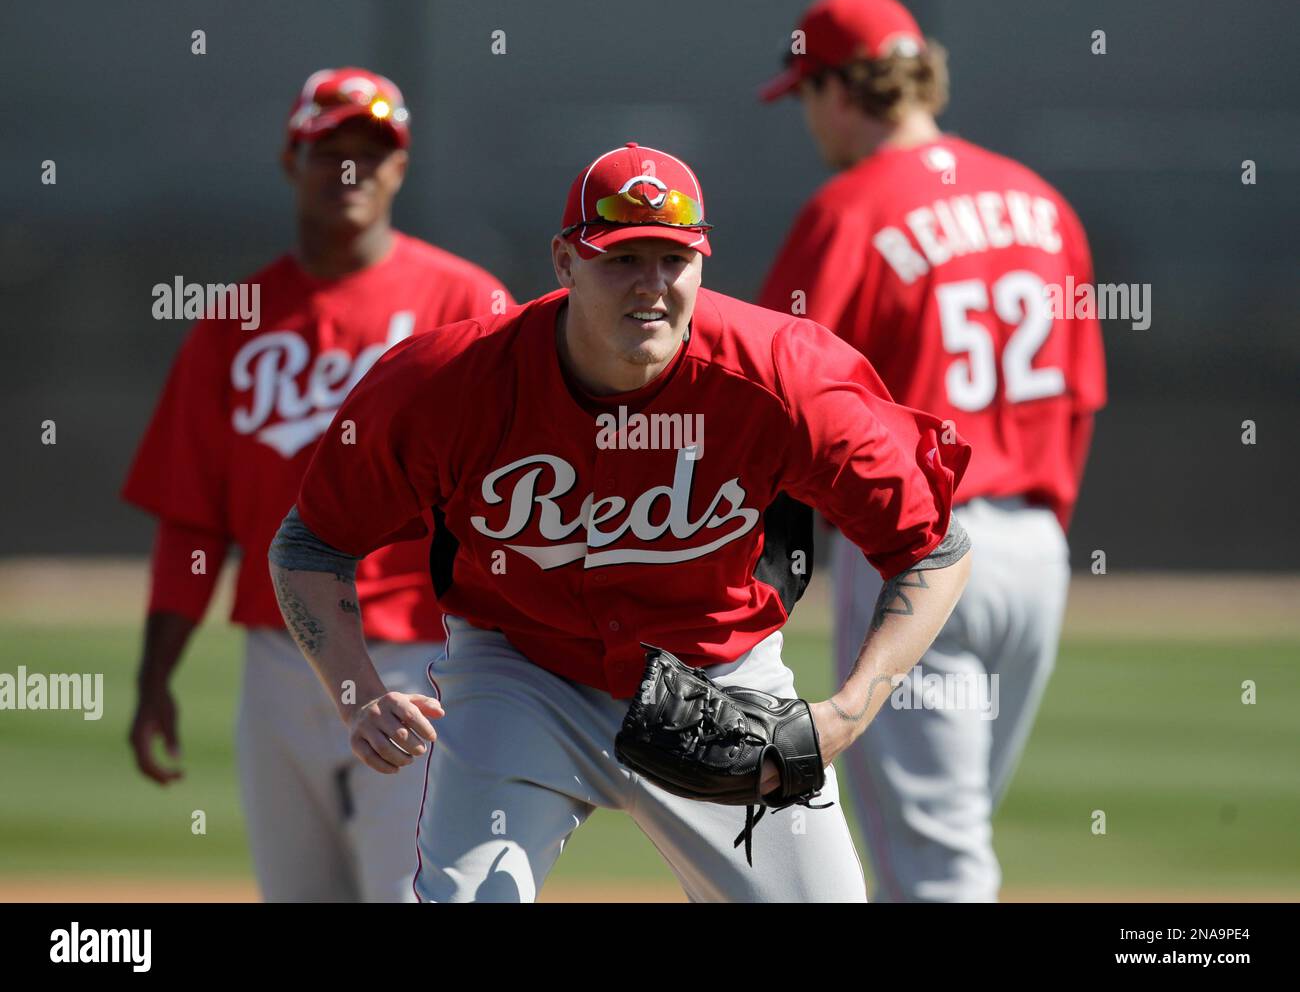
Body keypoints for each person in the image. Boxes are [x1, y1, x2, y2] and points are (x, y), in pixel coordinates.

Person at [267, 141, 973, 904]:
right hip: (521, 674)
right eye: (622, 258)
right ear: (565, 264)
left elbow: (935, 552)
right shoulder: (448, 385)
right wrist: (358, 692)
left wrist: (845, 713)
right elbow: (310, 543)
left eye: (674, 259)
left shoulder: (785, 377)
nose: (652, 287)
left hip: (721, 673)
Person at [122, 67, 513, 902]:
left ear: (400, 168)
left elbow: (516, 497)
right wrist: (155, 679)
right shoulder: (234, 320)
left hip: (421, 658)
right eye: (331, 151)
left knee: (413, 893)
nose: (351, 172)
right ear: (291, 159)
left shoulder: (466, 301)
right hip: (276, 661)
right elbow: (192, 521)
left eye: (372, 154)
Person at [758, 0, 1107, 901]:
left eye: (805, 92)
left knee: (934, 865)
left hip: (919, 557)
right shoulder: (1042, 203)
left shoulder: (850, 210)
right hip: (1036, 551)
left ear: (842, 88)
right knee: (953, 840)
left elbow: (772, 394)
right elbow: (1081, 396)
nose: (807, 116)